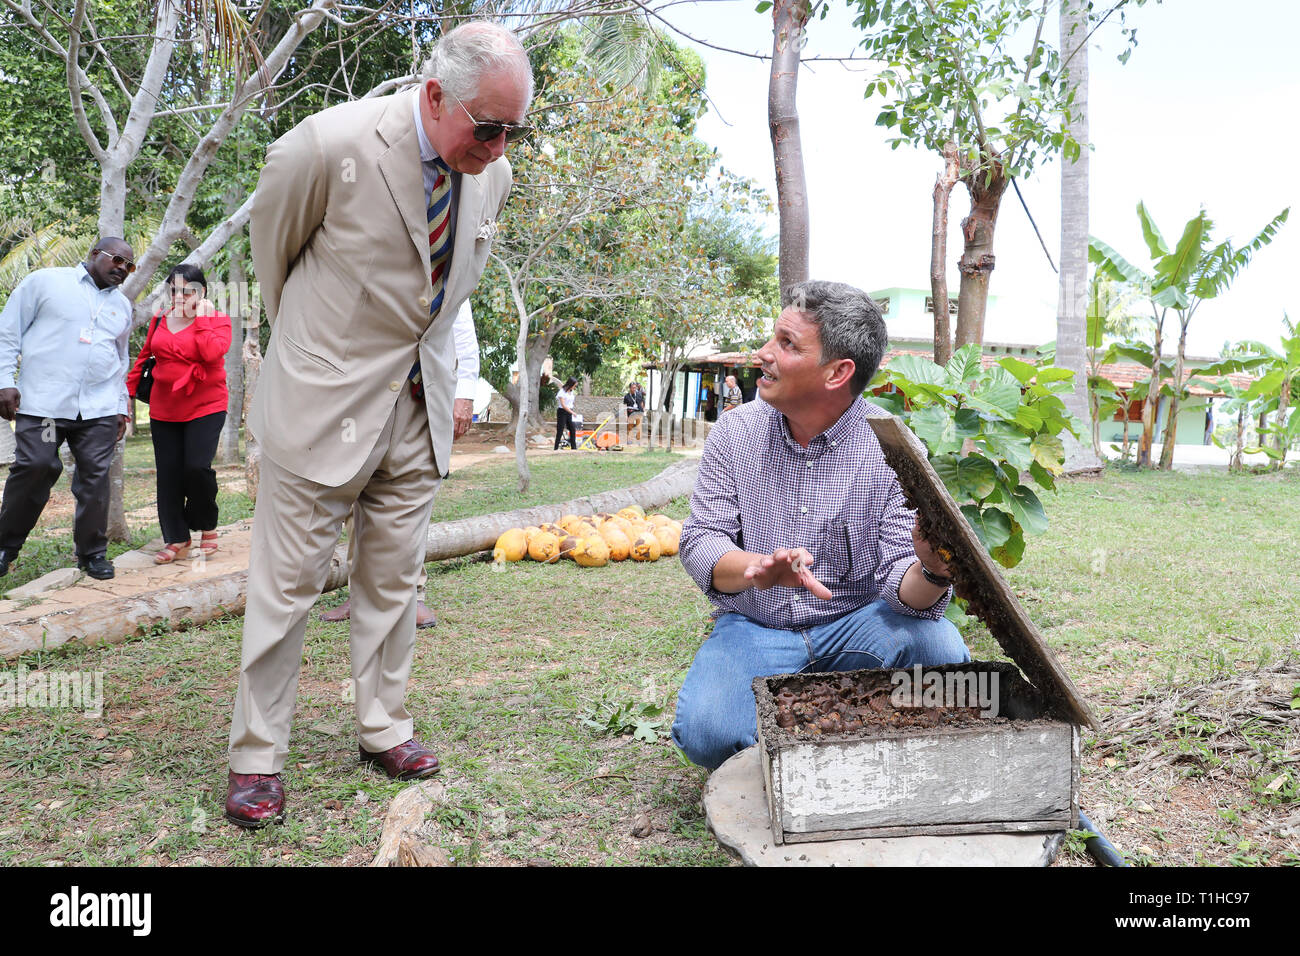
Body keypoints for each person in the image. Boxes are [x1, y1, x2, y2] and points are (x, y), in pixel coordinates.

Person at [225, 21, 534, 829]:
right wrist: (319, 361)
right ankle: (257, 755)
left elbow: (442, 297)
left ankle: (383, 725)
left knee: (394, 582)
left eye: (514, 131)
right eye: (487, 127)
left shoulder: (488, 176)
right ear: (435, 96)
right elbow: (276, 264)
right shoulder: (324, 147)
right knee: (285, 591)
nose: (499, 149)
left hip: (418, 409)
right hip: (322, 406)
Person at [671, 280, 970, 771]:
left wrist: (934, 569)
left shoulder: (892, 450)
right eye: (773, 338)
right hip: (756, 626)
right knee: (708, 734)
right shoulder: (735, 431)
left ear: (837, 372)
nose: (763, 354)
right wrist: (757, 570)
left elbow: (902, 586)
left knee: (940, 653)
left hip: (858, 628)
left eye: (787, 344)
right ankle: (852, 726)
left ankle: (819, 726)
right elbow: (702, 540)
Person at [319, 299, 480, 627]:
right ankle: (360, 593)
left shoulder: (442, 260)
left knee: (407, 499)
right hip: (360, 392)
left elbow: (461, 329)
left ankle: (411, 595)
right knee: (354, 495)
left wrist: (464, 393)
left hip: (417, 393)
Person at [0, 238, 134, 581]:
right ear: (94, 254)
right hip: (46, 406)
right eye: (117, 259)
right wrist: (4, 379)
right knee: (37, 464)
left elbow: (121, 359)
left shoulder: (122, 306)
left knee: (94, 478)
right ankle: (5, 547)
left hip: (98, 410)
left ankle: (92, 554)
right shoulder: (46, 282)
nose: (122, 268)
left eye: (128, 266)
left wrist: (121, 406)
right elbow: (7, 333)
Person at [125, 264, 232, 564]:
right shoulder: (159, 318)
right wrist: (127, 397)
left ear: (202, 292)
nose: (180, 296)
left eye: (188, 291)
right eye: (174, 290)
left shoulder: (218, 320)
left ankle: (207, 525)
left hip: (206, 405)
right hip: (164, 407)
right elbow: (145, 357)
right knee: (169, 475)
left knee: (197, 468)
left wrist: (200, 318)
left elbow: (211, 353)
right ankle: (177, 537)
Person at [554, 376, 578, 450]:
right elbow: (563, 405)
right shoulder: (562, 392)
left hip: (569, 412)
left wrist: (572, 411)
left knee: (572, 429)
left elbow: (570, 403)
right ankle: (556, 447)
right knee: (560, 430)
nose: (575, 387)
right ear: (570, 384)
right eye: (574, 386)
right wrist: (572, 412)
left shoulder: (571, 392)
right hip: (562, 412)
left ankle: (574, 448)